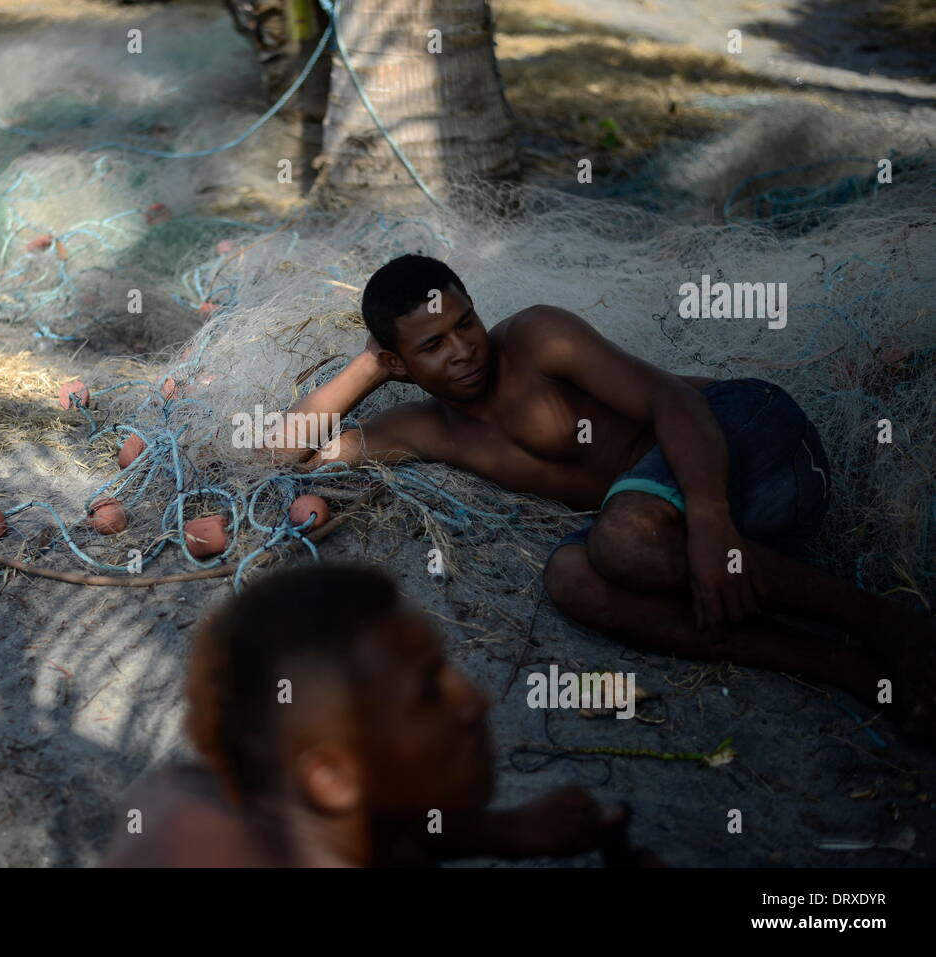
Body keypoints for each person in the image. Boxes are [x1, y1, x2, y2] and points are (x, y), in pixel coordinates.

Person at [272, 254, 934, 745]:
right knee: (572, 578)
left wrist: (706, 519)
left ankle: (885, 622)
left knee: (623, 539)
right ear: (399, 363)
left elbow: (670, 399)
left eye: (465, 323)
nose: (465, 350)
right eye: (432, 346)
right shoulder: (424, 428)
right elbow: (288, 453)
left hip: (749, 437)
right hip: (674, 528)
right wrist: (366, 365)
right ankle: (841, 664)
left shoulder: (535, 338)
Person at [102, 563, 652, 867]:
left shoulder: (193, 790)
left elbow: (366, 822)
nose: (476, 700)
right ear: (334, 776)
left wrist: (495, 833)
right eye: (428, 694)